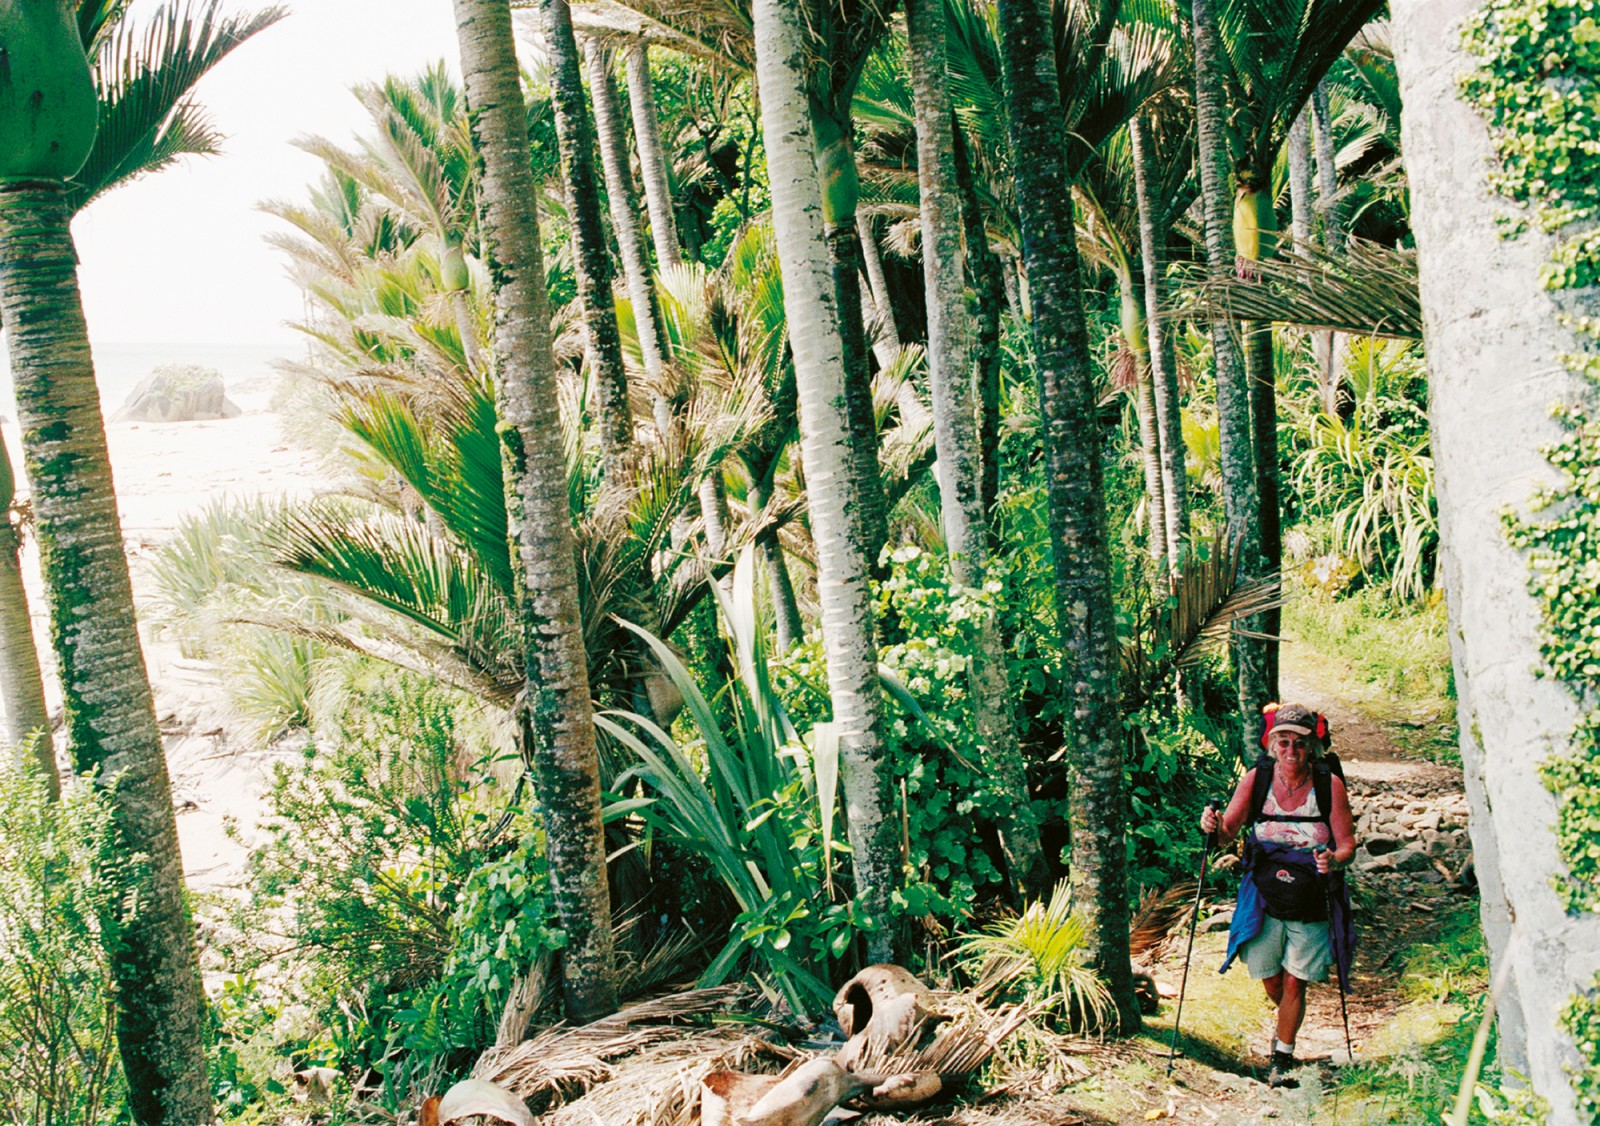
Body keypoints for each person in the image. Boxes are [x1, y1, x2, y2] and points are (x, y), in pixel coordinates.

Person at [1199, 703, 1357, 1088]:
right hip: (1265, 888)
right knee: (1270, 977)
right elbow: (1227, 834)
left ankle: (1282, 1057)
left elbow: (1348, 845)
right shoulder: (1258, 778)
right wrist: (1212, 826)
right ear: (1272, 744)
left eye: (1300, 743)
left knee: (1294, 981)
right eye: (1283, 742)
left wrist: (1332, 862)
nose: (1291, 751)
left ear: (1312, 746)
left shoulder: (1328, 784)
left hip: (1311, 891)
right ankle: (1287, 1025)